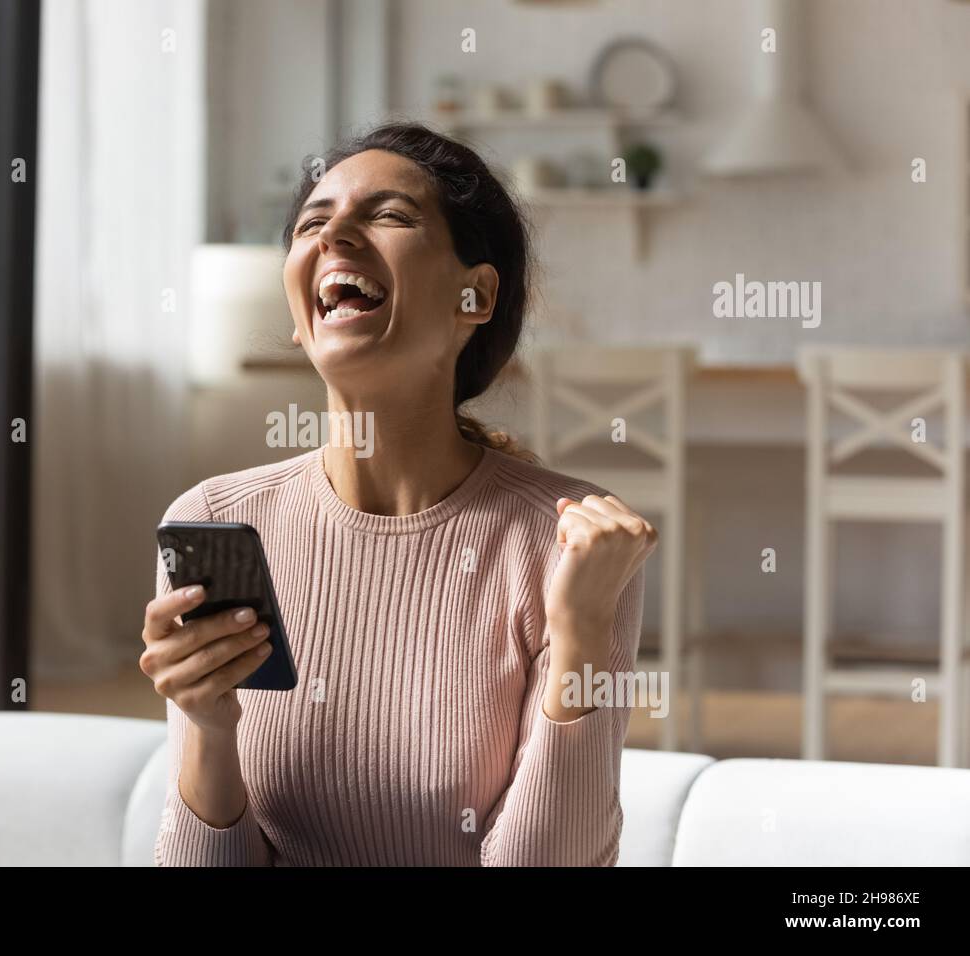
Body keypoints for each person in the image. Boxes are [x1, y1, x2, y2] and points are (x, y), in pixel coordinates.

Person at [141, 123, 657, 866]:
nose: (335, 235)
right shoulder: (218, 522)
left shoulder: (570, 540)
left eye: (387, 215)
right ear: (299, 313)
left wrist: (578, 630)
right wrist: (207, 726)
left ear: (474, 295)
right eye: (313, 222)